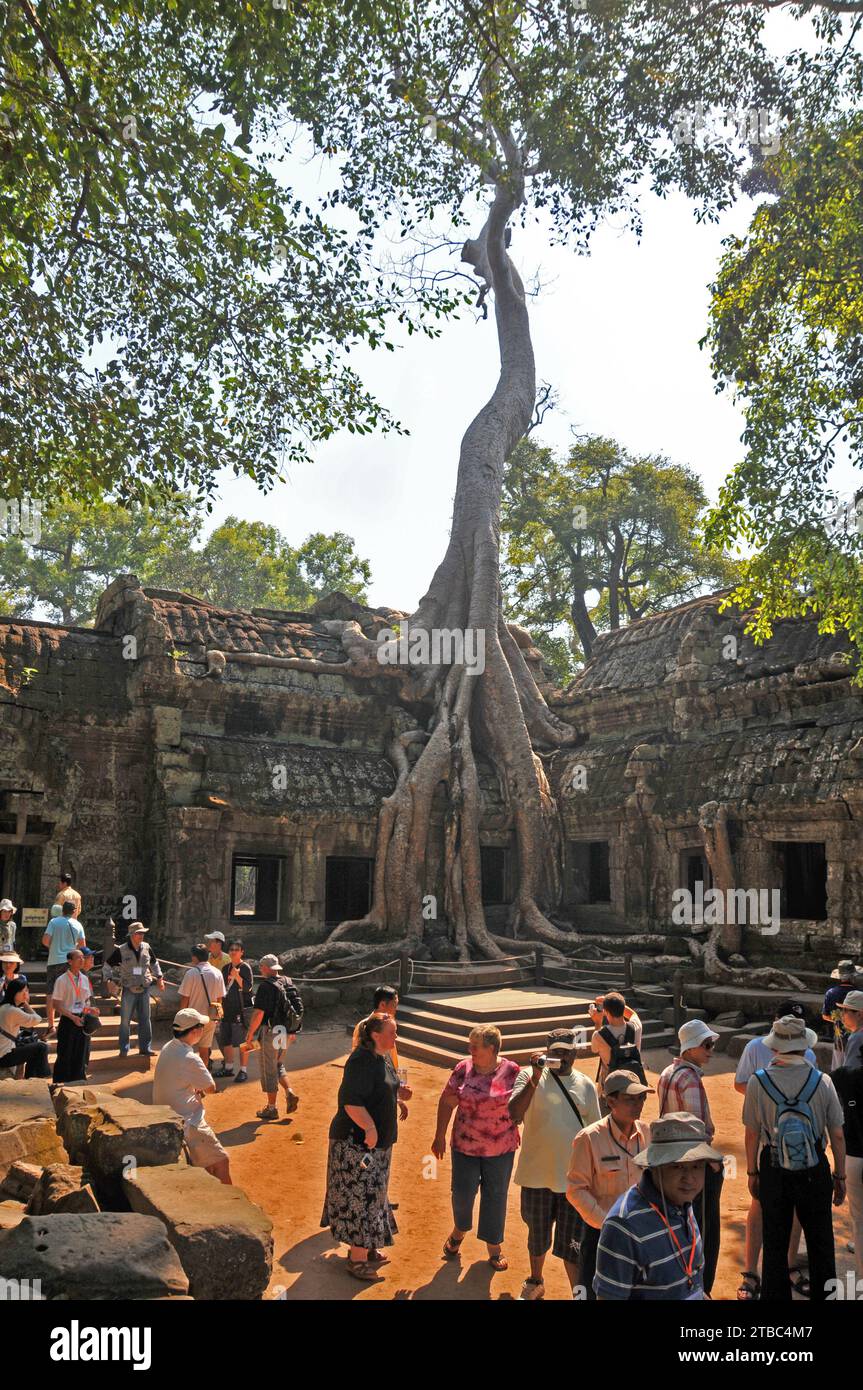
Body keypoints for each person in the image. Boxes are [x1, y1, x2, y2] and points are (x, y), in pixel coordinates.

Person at [743, 1014, 847, 1302]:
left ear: (775, 1047)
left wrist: (752, 1172)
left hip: (773, 1167)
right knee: (821, 1241)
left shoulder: (758, 1082)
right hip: (814, 1168)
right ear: (805, 1047)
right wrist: (839, 1175)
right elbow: (837, 1134)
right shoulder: (822, 1081)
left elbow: (752, 1134)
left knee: (774, 1240)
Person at [734, 998, 817, 1301]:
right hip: (767, 1137)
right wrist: (772, 1096)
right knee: (758, 1205)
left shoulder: (808, 1054)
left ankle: (789, 1264)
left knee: (794, 1206)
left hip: (799, 1141)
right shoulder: (755, 1048)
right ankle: (750, 1271)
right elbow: (741, 1083)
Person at [509, 1028, 601, 1299]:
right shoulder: (529, 1076)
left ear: (574, 1053)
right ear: (547, 1053)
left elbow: (595, 1131)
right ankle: (535, 1279)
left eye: (566, 1052)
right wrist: (536, 1078)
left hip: (574, 1178)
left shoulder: (585, 1084)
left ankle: (579, 1293)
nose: (561, 1057)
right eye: (555, 1052)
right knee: (537, 1235)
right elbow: (514, 1113)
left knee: (573, 1242)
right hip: (536, 1174)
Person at [594, 1113, 724, 1300]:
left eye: (696, 1166)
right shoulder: (624, 1226)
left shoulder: (683, 1202)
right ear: (655, 1165)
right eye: (678, 1167)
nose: (689, 1178)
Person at [321, 1011, 406, 1280]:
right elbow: (351, 1100)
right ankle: (357, 1258)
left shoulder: (383, 1057)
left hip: (378, 1143)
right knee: (360, 1195)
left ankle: (369, 1247)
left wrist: (399, 1096)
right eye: (392, 1032)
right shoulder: (360, 1061)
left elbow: (383, 1088)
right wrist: (369, 1127)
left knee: (377, 1193)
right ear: (375, 1035)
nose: (396, 1037)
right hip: (356, 1144)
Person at [432, 1024, 521, 1272]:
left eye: (475, 1046)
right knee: (462, 1193)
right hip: (465, 1145)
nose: (470, 1050)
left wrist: (518, 1125)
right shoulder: (463, 1068)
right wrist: (439, 1135)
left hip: (501, 1147)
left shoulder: (512, 1071)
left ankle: (494, 1247)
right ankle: (459, 1230)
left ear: (491, 1048)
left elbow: (524, 1103)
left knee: (496, 1196)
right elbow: (447, 1101)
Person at [567, 1069, 652, 1300]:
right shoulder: (589, 1138)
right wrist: (607, 1224)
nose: (638, 1104)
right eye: (630, 1099)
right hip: (601, 1236)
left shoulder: (648, 1133)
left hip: (642, 1235)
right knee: (591, 1294)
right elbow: (576, 1190)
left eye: (641, 1098)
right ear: (610, 1101)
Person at [657, 1018, 723, 1295]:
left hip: (669, 1160)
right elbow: (698, 1131)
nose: (710, 1050)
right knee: (703, 1231)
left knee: (678, 1226)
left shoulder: (666, 1073)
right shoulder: (691, 1078)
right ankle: (701, 1287)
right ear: (691, 1047)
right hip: (694, 1163)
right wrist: (714, 1163)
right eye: (706, 1044)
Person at [153, 1007, 231, 1183]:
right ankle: (233, 1206)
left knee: (208, 1166)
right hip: (188, 1121)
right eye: (201, 1027)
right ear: (195, 1031)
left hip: (167, 1115)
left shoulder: (168, 1047)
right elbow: (211, 1087)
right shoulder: (189, 1057)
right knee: (221, 1162)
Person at [243, 954, 303, 1120]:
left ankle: (271, 1108)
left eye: (261, 966)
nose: (260, 969)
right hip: (284, 1030)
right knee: (277, 1063)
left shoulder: (265, 986)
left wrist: (250, 1035)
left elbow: (258, 1013)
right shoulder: (287, 981)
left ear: (267, 968)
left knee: (267, 1067)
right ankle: (289, 1091)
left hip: (270, 1031)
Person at [105, 921, 164, 1060]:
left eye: (143, 933)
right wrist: (109, 980)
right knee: (125, 1020)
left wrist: (160, 977)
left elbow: (155, 964)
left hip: (144, 988)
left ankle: (145, 1048)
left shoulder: (147, 947)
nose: (142, 935)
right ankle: (124, 1049)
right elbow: (107, 966)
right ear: (132, 935)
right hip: (129, 989)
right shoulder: (121, 949)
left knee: (145, 1019)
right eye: (139, 933)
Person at [51, 948, 99, 1084]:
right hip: (68, 1020)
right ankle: (60, 1085)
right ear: (69, 961)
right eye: (78, 958)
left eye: (83, 957)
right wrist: (72, 1017)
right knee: (65, 1054)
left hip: (82, 1019)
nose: (82, 960)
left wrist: (90, 1010)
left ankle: (78, 1084)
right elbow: (56, 1004)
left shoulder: (84, 979)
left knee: (81, 1054)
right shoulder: (62, 980)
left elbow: (84, 1002)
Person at [178, 944, 226, 1070]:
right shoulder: (217, 973)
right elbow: (220, 999)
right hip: (210, 1017)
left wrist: (180, 1017)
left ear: (194, 958)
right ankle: (202, 1083)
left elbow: (185, 998)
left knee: (187, 1050)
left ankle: (188, 1079)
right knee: (204, 1051)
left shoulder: (191, 974)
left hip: (192, 1018)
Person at [589, 992, 645, 1099]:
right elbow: (633, 1014)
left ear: (606, 1012)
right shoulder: (636, 1027)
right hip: (633, 1085)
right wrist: (611, 1001)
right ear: (622, 1008)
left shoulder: (599, 1035)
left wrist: (597, 1022)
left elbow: (594, 1049)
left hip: (610, 1089)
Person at [42, 901, 86, 1037]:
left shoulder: (54, 922)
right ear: (74, 911)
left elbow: (45, 940)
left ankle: (51, 1025)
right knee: (69, 992)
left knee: (51, 993)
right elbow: (82, 945)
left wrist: (53, 947)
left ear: (62, 910)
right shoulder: (78, 924)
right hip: (70, 963)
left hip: (54, 961)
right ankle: (67, 1022)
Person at [215, 939, 254, 1081]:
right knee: (226, 1040)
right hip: (226, 1009)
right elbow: (221, 988)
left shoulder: (245, 968)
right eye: (231, 949)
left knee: (243, 1041)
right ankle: (229, 1068)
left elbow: (248, 988)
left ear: (242, 952)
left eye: (236, 949)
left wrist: (237, 976)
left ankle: (243, 1070)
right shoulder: (225, 968)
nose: (233, 952)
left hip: (241, 1010)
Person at [0, 977, 49, 1078]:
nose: (25, 993)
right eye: (22, 991)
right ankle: (38, 1079)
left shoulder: (5, 1007)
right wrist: (26, 1004)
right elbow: (37, 1019)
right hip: (4, 1056)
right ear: (14, 993)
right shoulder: (12, 1011)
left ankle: (32, 1079)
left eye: (26, 990)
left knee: (32, 1047)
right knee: (41, 1047)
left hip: (4, 1052)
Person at [823, 959, 859, 1070]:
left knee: (838, 1070)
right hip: (857, 1038)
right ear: (853, 976)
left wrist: (839, 1020)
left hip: (839, 1039)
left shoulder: (831, 993)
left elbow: (825, 1015)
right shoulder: (859, 993)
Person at [839, 988, 863, 1072]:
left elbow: (849, 1073)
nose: (841, 1014)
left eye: (845, 1010)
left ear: (859, 1014)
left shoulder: (857, 1038)